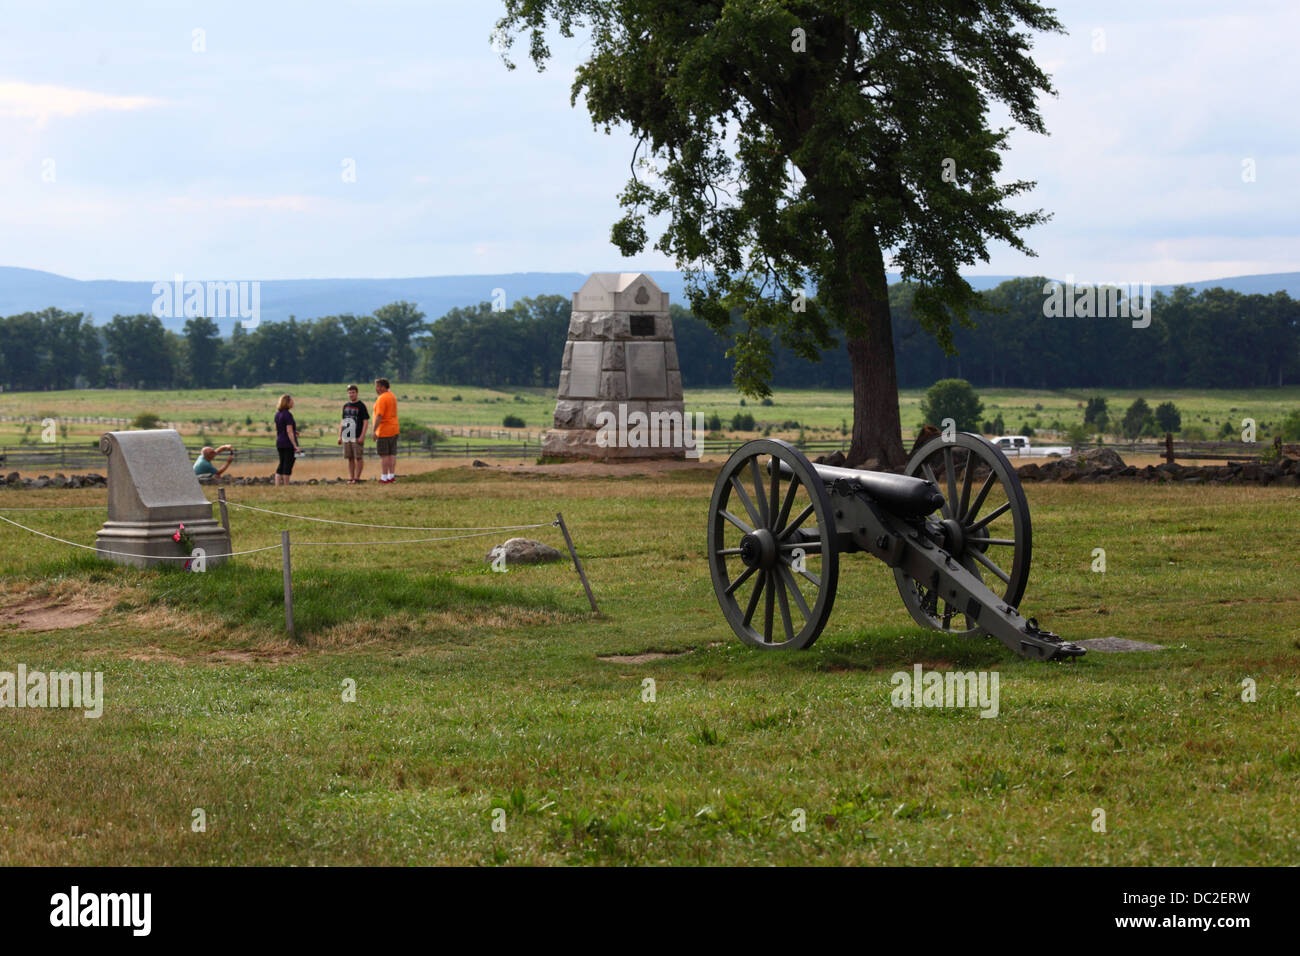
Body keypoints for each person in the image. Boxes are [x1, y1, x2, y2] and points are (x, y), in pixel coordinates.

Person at [338, 384, 370, 484]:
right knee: (350, 457)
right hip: (347, 435)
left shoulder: (361, 406)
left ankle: (357, 478)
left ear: (357, 393)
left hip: (357, 435)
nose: (351, 394)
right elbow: (343, 421)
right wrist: (340, 436)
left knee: (358, 457)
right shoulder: (346, 406)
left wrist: (362, 436)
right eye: (350, 392)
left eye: (353, 392)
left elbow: (365, 421)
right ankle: (351, 477)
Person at [372, 378, 399, 483]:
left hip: (384, 430)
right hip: (394, 429)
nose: (376, 389)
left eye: (378, 386)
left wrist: (374, 430)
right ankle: (391, 476)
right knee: (392, 454)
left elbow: (379, 415)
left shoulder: (382, 398)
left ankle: (384, 477)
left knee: (384, 455)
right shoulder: (392, 396)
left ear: (383, 387)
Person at [274, 394, 302, 485]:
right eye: (291, 401)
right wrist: (295, 446)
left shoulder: (277, 414)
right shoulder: (288, 415)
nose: (293, 403)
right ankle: (286, 485)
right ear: (287, 402)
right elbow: (289, 431)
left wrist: (294, 431)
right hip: (287, 443)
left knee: (281, 464)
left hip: (279, 442)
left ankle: (277, 485)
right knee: (288, 465)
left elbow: (279, 428)